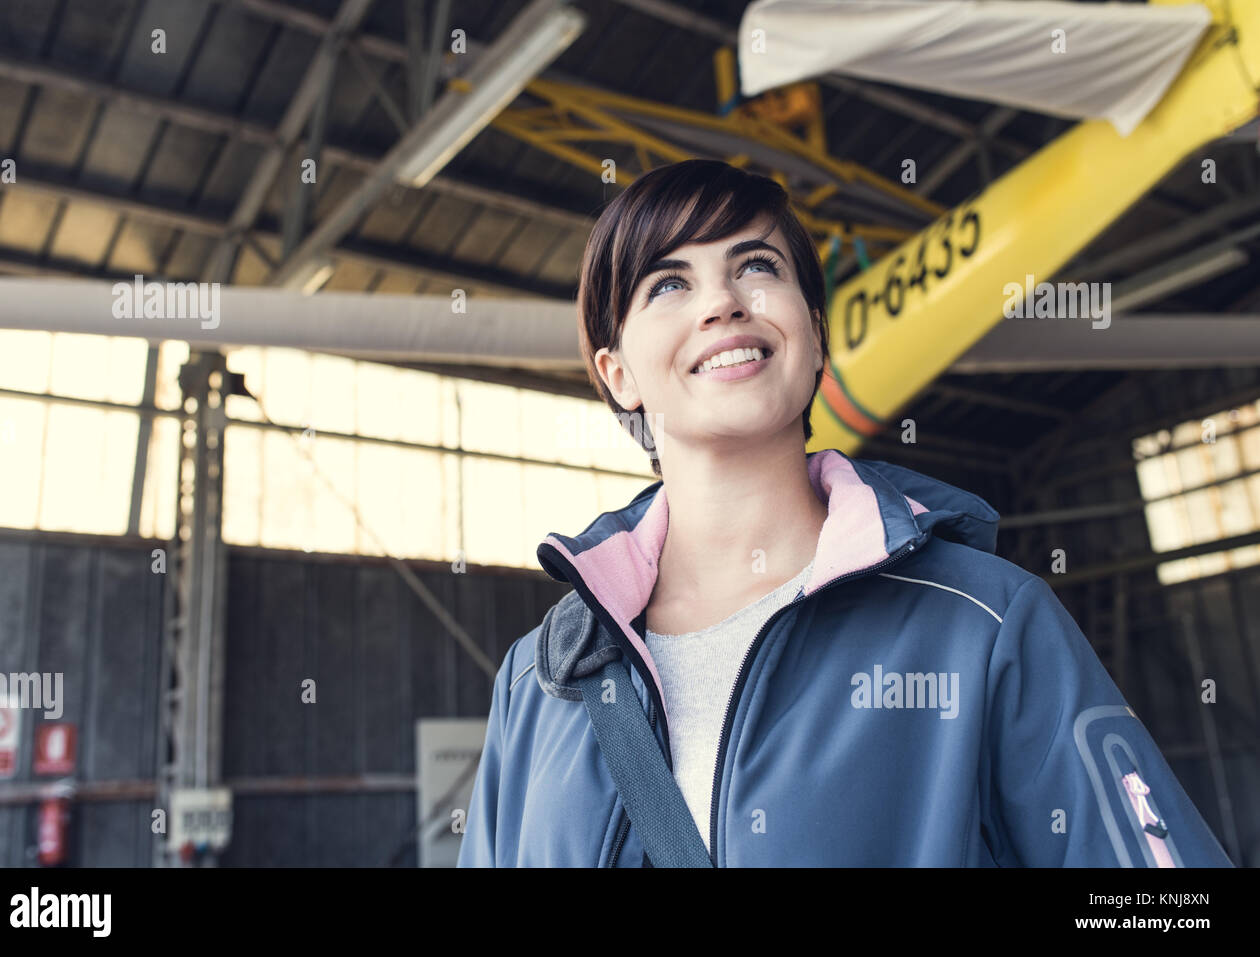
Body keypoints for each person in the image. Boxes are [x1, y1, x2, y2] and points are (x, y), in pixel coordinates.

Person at [456, 158, 1233, 867]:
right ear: (617, 372)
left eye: (756, 267)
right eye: (668, 284)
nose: (724, 302)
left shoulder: (984, 623)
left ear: (816, 335)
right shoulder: (542, 681)